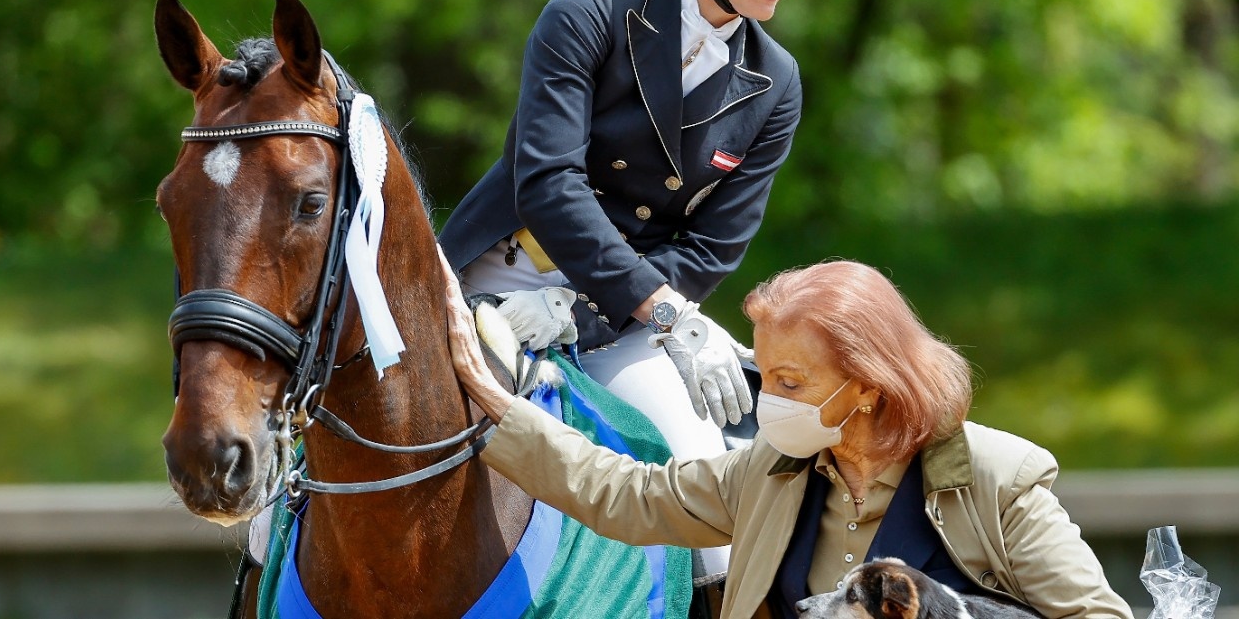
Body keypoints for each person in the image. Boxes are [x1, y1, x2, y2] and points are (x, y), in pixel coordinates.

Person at [438, 0, 849, 584]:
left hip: (624, 317)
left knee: (713, 518)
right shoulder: (592, 8)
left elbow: (710, 249)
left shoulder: (776, 83)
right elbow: (548, 182)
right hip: (493, 282)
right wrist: (656, 308)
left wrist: (592, 310)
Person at [441, 252, 1135, 619]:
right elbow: (628, 493)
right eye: (764, 373)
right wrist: (495, 407)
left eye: (792, 382)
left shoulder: (999, 477)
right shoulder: (774, 466)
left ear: (869, 385)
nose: (766, 400)